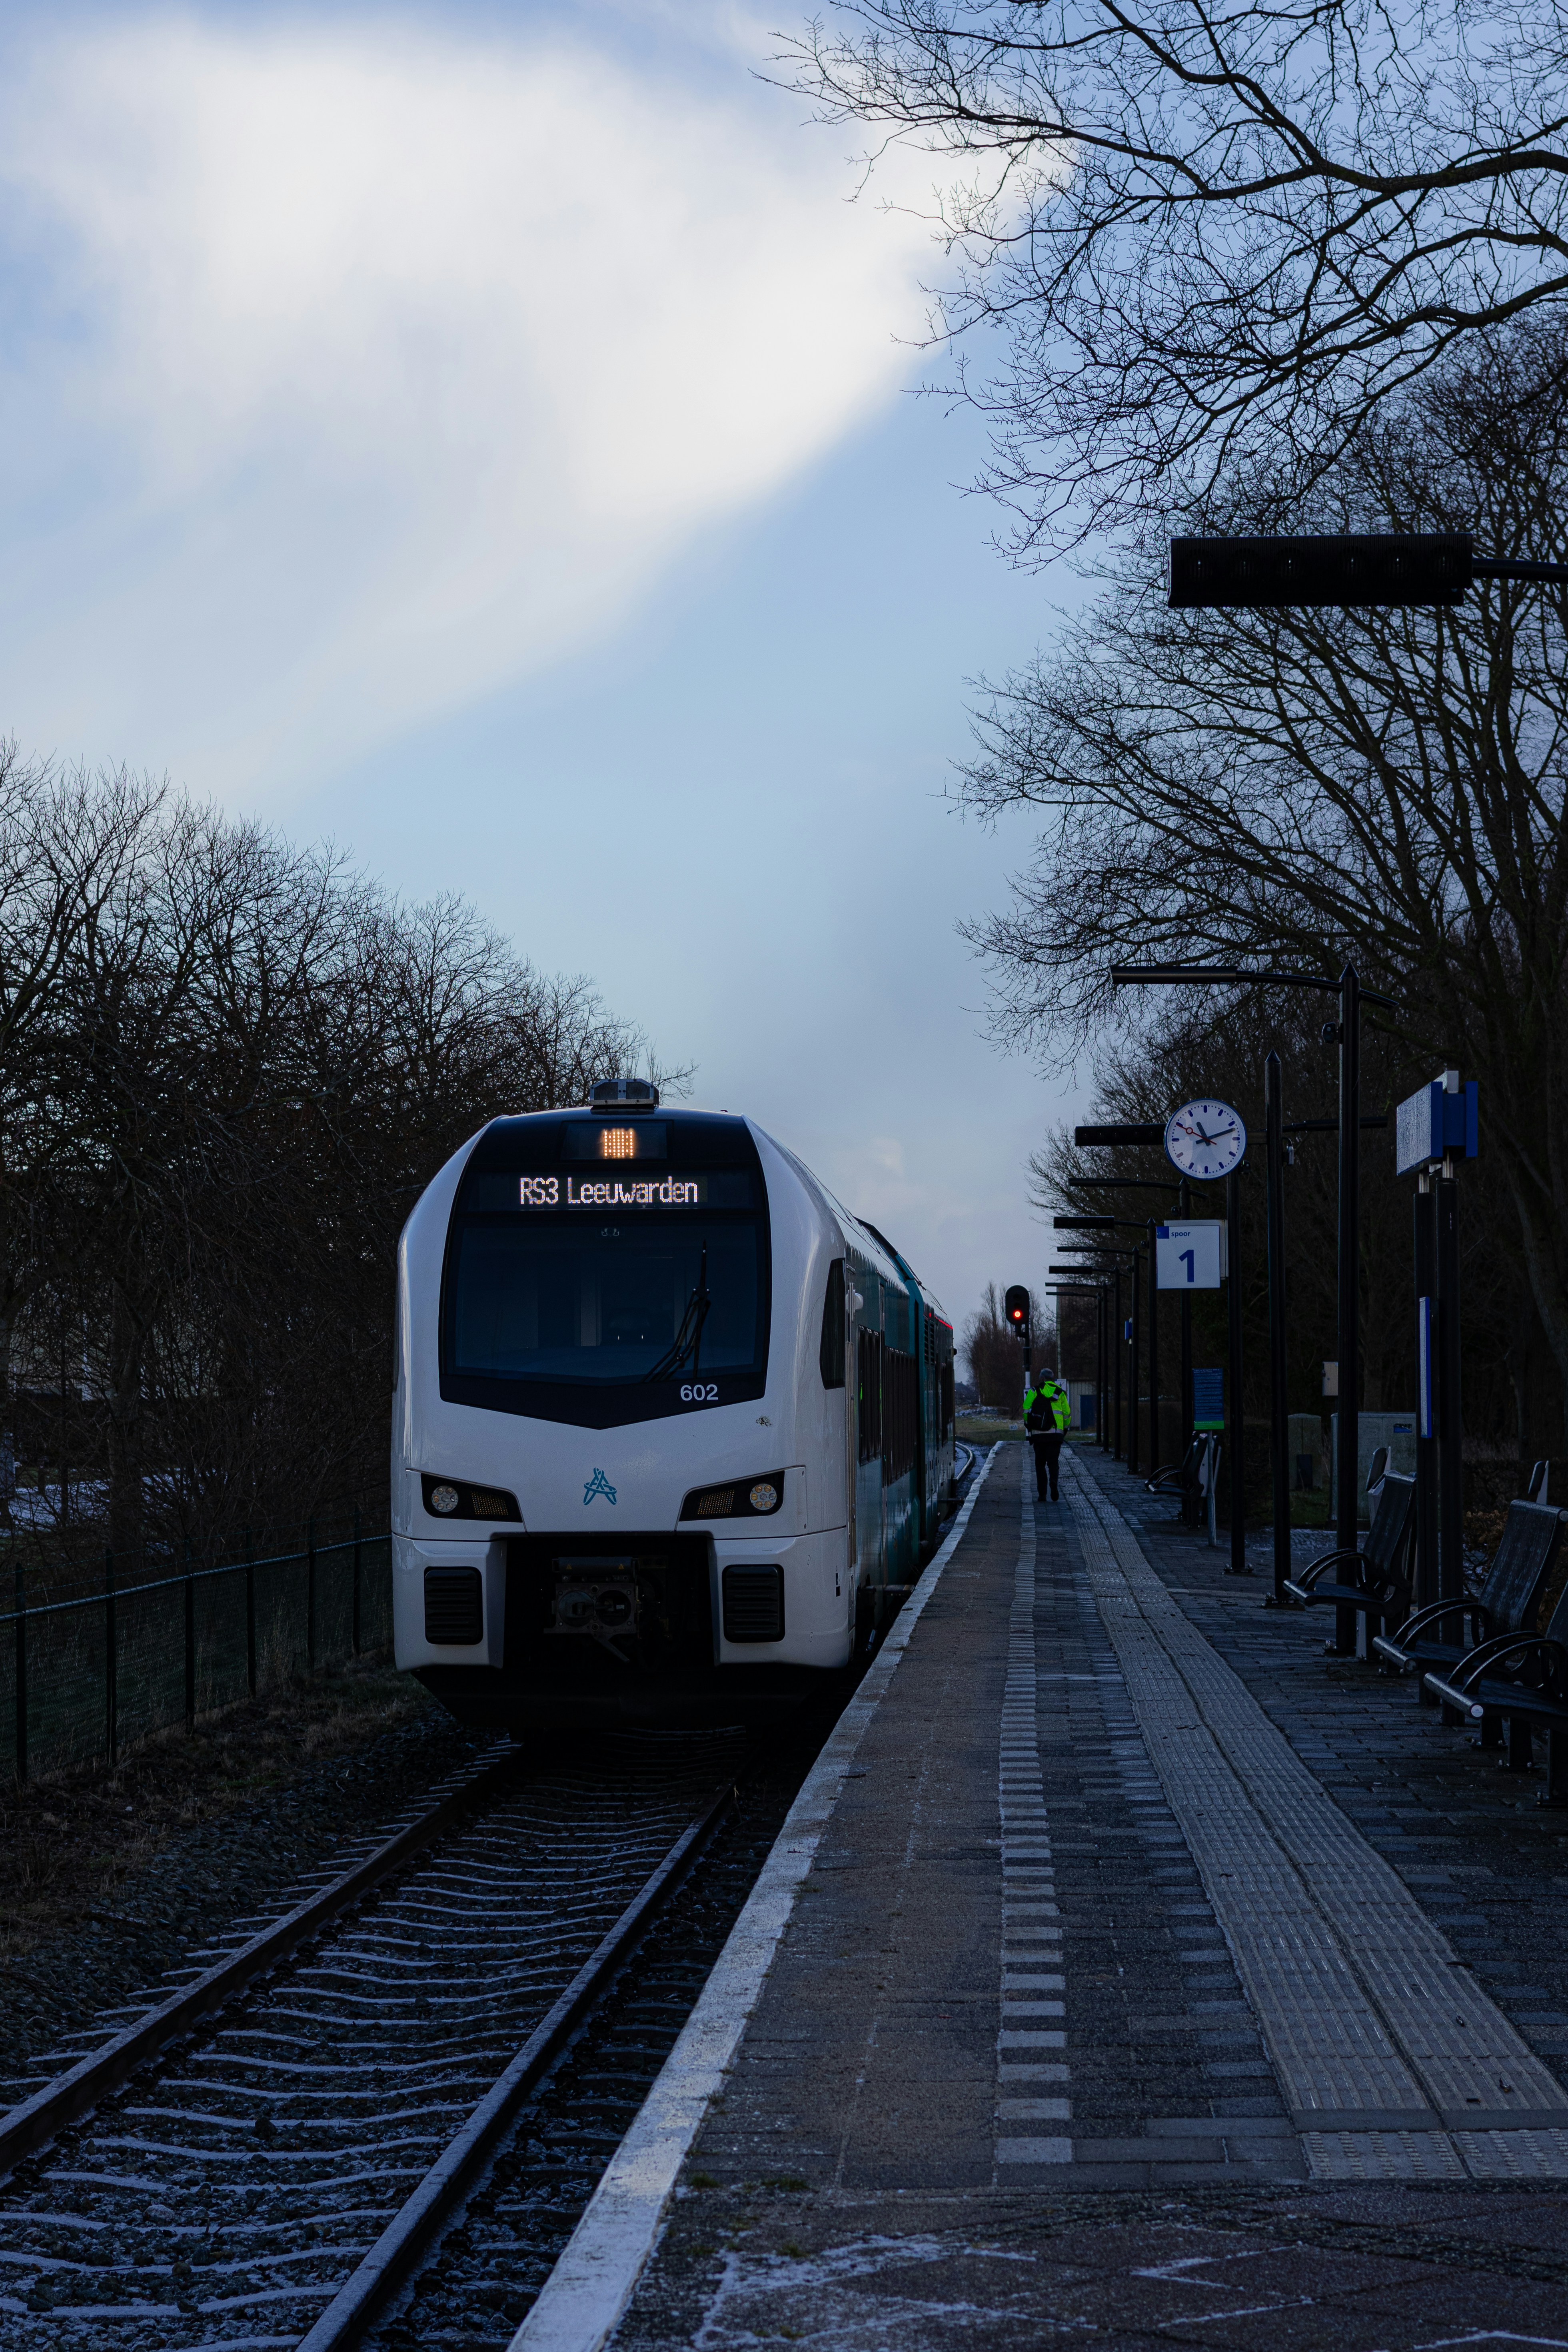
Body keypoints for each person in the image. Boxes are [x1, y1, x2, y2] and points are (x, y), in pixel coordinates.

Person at [1023, 1368, 1071, 1499]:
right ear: (1053, 1379)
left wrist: (1029, 1426)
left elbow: (1026, 1410)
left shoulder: (1034, 1391)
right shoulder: (1061, 1393)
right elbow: (1067, 1414)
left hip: (1038, 1435)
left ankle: (1042, 1494)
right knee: (1053, 1462)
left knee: (1040, 1464)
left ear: (1042, 1379)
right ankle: (1054, 1482)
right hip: (1056, 1435)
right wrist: (1064, 1430)